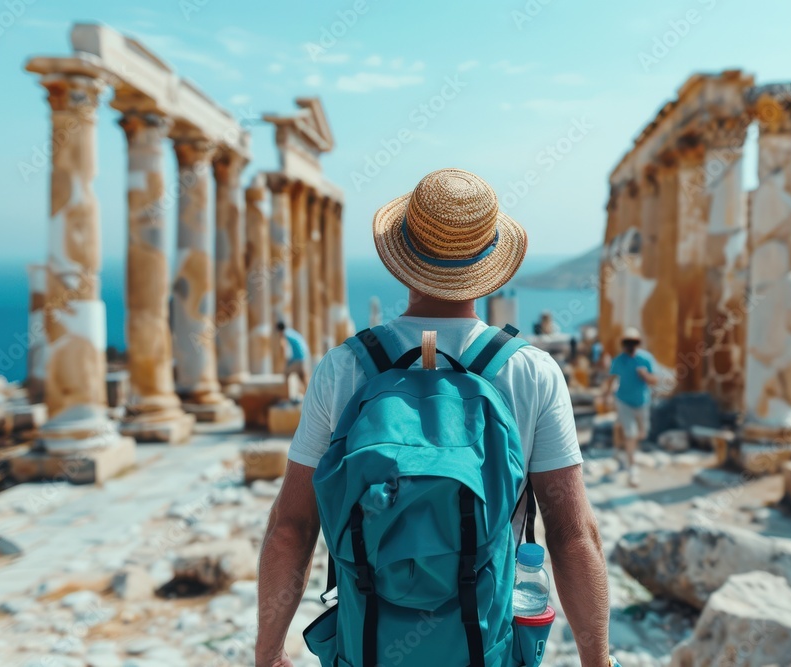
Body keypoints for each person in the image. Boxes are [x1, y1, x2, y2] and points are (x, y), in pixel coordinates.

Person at [256, 169, 612, 667]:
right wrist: (597, 660)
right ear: (489, 264)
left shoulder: (346, 367)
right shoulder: (530, 371)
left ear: (402, 259)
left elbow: (291, 527)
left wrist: (268, 652)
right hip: (481, 644)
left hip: (369, 645)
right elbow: (572, 534)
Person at [602, 328, 657, 487]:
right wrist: (606, 396)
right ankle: (632, 467)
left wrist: (645, 375)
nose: (630, 345)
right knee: (631, 433)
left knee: (642, 433)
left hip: (642, 402)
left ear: (638, 343)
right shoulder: (619, 360)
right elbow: (612, 378)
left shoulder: (646, 359)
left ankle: (623, 443)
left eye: (633, 342)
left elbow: (654, 380)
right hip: (623, 401)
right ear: (623, 344)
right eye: (627, 342)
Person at [276, 321, 309, 389]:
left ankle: (285, 394)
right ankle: (308, 394)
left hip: (297, 359)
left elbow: (285, 350)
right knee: (302, 377)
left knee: (286, 374)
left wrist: (286, 363)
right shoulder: (291, 332)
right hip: (303, 357)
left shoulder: (285, 335)